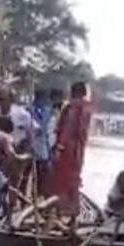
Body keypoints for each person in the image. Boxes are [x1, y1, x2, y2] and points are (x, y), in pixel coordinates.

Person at [51, 81, 94, 230]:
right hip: (79, 151)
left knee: (60, 182)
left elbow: (68, 128)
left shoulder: (73, 106)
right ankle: (73, 217)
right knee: (74, 182)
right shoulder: (88, 108)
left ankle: (57, 215)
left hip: (68, 150)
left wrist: (60, 148)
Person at [29, 89, 56, 196]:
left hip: (44, 149)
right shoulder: (29, 111)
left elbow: (50, 132)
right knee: (26, 175)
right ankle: (26, 198)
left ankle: (39, 195)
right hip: (31, 148)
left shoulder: (48, 112)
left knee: (42, 176)